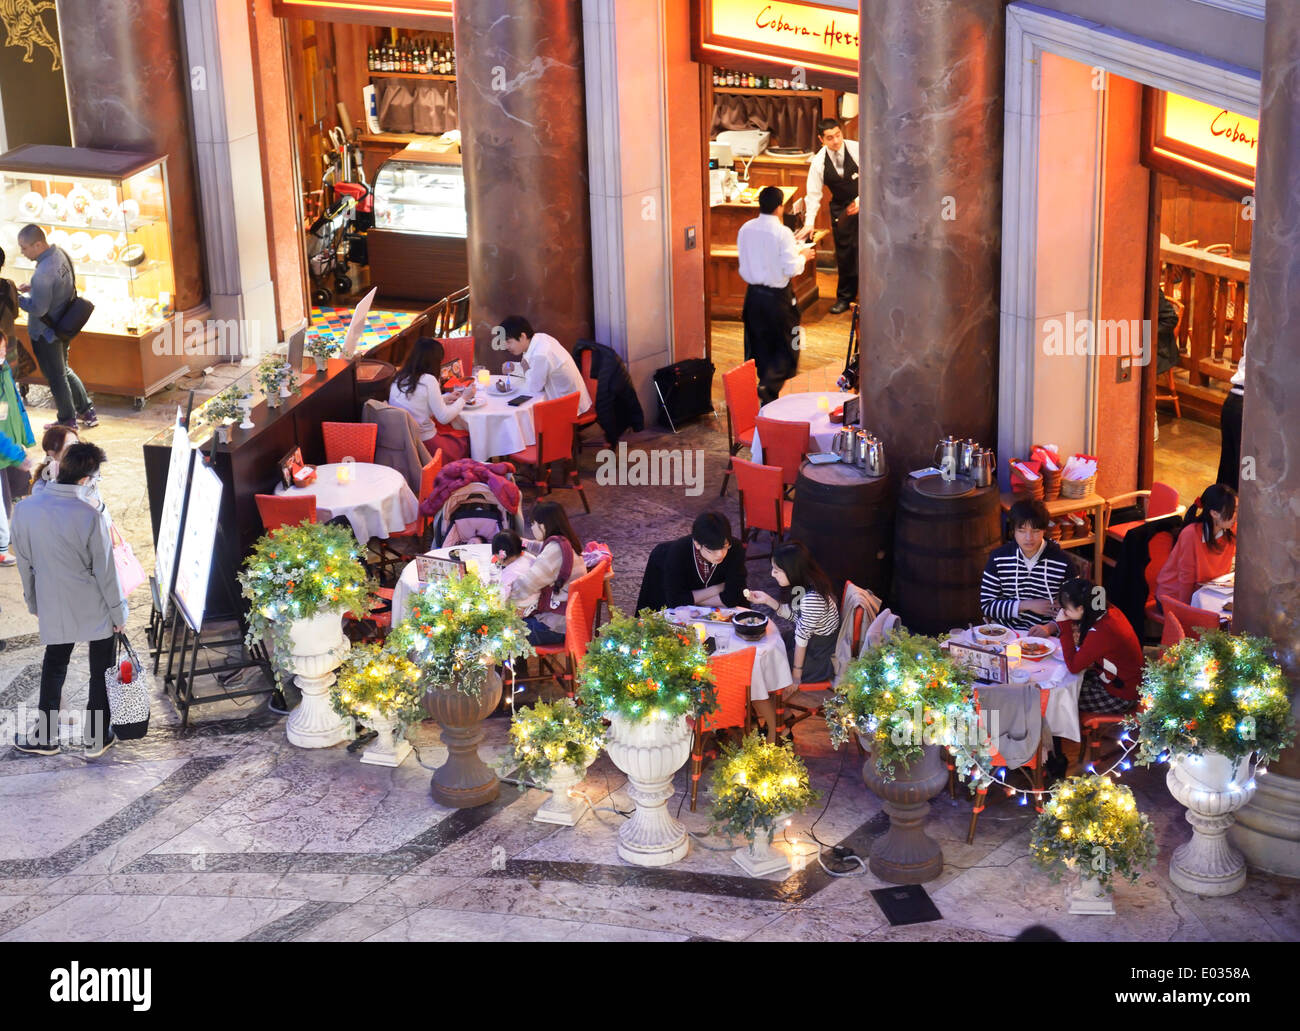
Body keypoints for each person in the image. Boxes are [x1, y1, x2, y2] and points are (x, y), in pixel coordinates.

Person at [10, 442, 127, 756]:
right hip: (95, 605)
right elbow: (106, 572)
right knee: (100, 669)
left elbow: (24, 563)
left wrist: (34, 601)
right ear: (85, 479)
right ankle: (97, 737)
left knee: (55, 664)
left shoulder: (24, 509)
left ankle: (45, 737)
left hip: (53, 600)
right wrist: (119, 613)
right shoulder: (91, 515)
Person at [1031, 577, 1143, 779]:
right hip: (1117, 679)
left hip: (1120, 694)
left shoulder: (1102, 631)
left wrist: (1063, 626)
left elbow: (1074, 666)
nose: (1063, 613)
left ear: (1082, 608)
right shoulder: (1108, 612)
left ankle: (1055, 761)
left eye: (1066, 610)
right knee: (1057, 691)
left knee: (1052, 701)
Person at [745, 541, 840, 741]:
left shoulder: (812, 598)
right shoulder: (804, 586)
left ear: (792, 570)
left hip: (817, 656)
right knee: (762, 661)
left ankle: (777, 730)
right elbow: (797, 619)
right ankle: (783, 716)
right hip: (809, 644)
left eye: (777, 570)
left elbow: (803, 638)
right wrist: (768, 600)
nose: (772, 574)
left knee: (757, 675)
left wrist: (795, 676)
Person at [738, 185, 815, 404]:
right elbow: (791, 269)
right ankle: (769, 385)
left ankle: (765, 388)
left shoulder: (745, 228)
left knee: (760, 342)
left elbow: (746, 261)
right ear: (780, 207)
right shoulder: (783, 233)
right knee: (789, 343)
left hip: (752, 296)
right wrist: (804, 256)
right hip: (778, 299)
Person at [16, 224, 98, 431]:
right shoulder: (60, 254)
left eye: (24, 248)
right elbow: (63, 284)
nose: (22, 252)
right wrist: (34, 288)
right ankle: (86, 410)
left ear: (38, 244)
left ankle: (67, 419)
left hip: (46, 333)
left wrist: (15, 297)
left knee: (56, 376)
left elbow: (38, 308)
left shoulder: (42, 273)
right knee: (64, 370)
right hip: (64, 324)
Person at [979, 498, 1073, 633]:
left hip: (1048, 637)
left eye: (1035, 530)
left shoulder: (1063, 561)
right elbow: (987, 605)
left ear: (1044, 530)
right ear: (1013, 531)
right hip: (1006, 633)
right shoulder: (998, 558)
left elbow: (1076, 605)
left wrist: (1050, 627)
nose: (1029, 538)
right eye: (1022, 531)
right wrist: (1027, 605)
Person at [797, 118, 860, 314]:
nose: (835, 141)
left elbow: (875, 176)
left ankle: (871, 299)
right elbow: (813, 196)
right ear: (821, 139)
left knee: (868, 252)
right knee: (845, 254)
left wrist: (861, 201)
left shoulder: (857, 149)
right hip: (841, 208)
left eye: (838, 135)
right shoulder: (818, 162)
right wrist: (809, 224)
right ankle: (844, 298)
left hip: (867, 202)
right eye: (830, 138)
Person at [635, 511, 747, 612]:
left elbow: (734, 598)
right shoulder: (678, 551)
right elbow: (674, 601)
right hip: (682, 616)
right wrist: (716, 589)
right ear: (697, 544)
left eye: (724, 547)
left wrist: (689, 600)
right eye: (712, 550)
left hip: (723, 613)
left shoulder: (735, 548)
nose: (720, 554)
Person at [508, 501, 586, 645]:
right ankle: (517, 666)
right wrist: (519, 543)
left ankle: (513, 667)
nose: (531, 528)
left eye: (533, 524)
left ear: (543, 525)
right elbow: (540, 548)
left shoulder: (554, 551)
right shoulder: (566, 541)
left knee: (498, 630)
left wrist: (501, 592)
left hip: (556, 627)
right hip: (573, 621)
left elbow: (524, 586)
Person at [388, 336, 474, 460]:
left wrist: (445, 398)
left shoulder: (399, 377)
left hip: (405, 443)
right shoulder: (428, 379)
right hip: (426, 445)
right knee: (466, 440)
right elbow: (444, 417)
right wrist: (464, 398)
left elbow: (416, 404)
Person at [1155, 484, 1236, 608]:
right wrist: (1187, 611)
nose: (1236, 515)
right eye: (1232, 511)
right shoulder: (1191, 535)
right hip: (1174, 597)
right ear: (1214, 513)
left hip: (1208, 592)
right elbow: (1186, 580)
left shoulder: (1231, 530)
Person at [498, 315, 592, 414]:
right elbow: (532, 370)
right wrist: (514, 368)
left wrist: (518, 369)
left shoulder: (540, 354)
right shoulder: (539, 338)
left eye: (509, 342)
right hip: (568, 399)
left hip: (567, 408)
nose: (507, 347)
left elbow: (534, 387)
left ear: (522, 336)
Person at [0, 331, 36, 566]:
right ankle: (2, 546)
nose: (2, 355)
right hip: (7, 450)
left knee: (13, 494)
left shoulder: (5, 372)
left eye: (3, 350)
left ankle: (7, 540)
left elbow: (16, 405)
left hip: (10, 448)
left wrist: (26, 437)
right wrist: (17, 453)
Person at [1217, 337, 1245, 491]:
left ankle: (1222, 512)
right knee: (1247, 470)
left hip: (1234, 403)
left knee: (1230, 469)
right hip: (1247, 409)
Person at [30, 423, 79, 493]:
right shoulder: (41, 486)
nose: (76, 449)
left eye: (76, 444)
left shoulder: (83, 472)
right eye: (69, 446)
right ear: (51, 453)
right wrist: (55, 483)